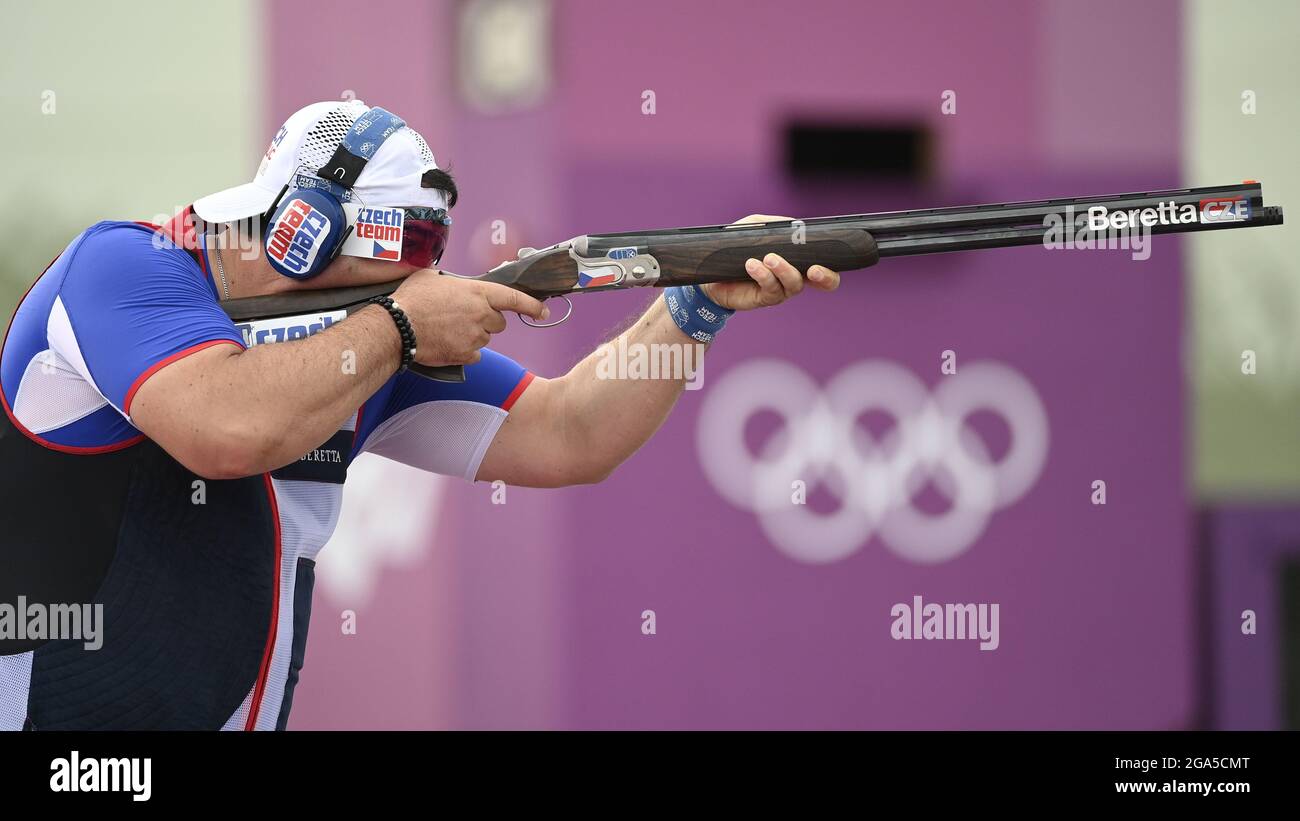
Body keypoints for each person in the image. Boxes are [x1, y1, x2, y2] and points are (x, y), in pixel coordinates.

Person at [0, 100, 840, 730]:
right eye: (398, 257)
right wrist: (398, 327)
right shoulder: (123, 268)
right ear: (302, 230)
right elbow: (226, 430)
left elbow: (571, 434)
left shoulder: (361, 350)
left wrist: (691, 307)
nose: (414, 282)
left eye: (425, 262)